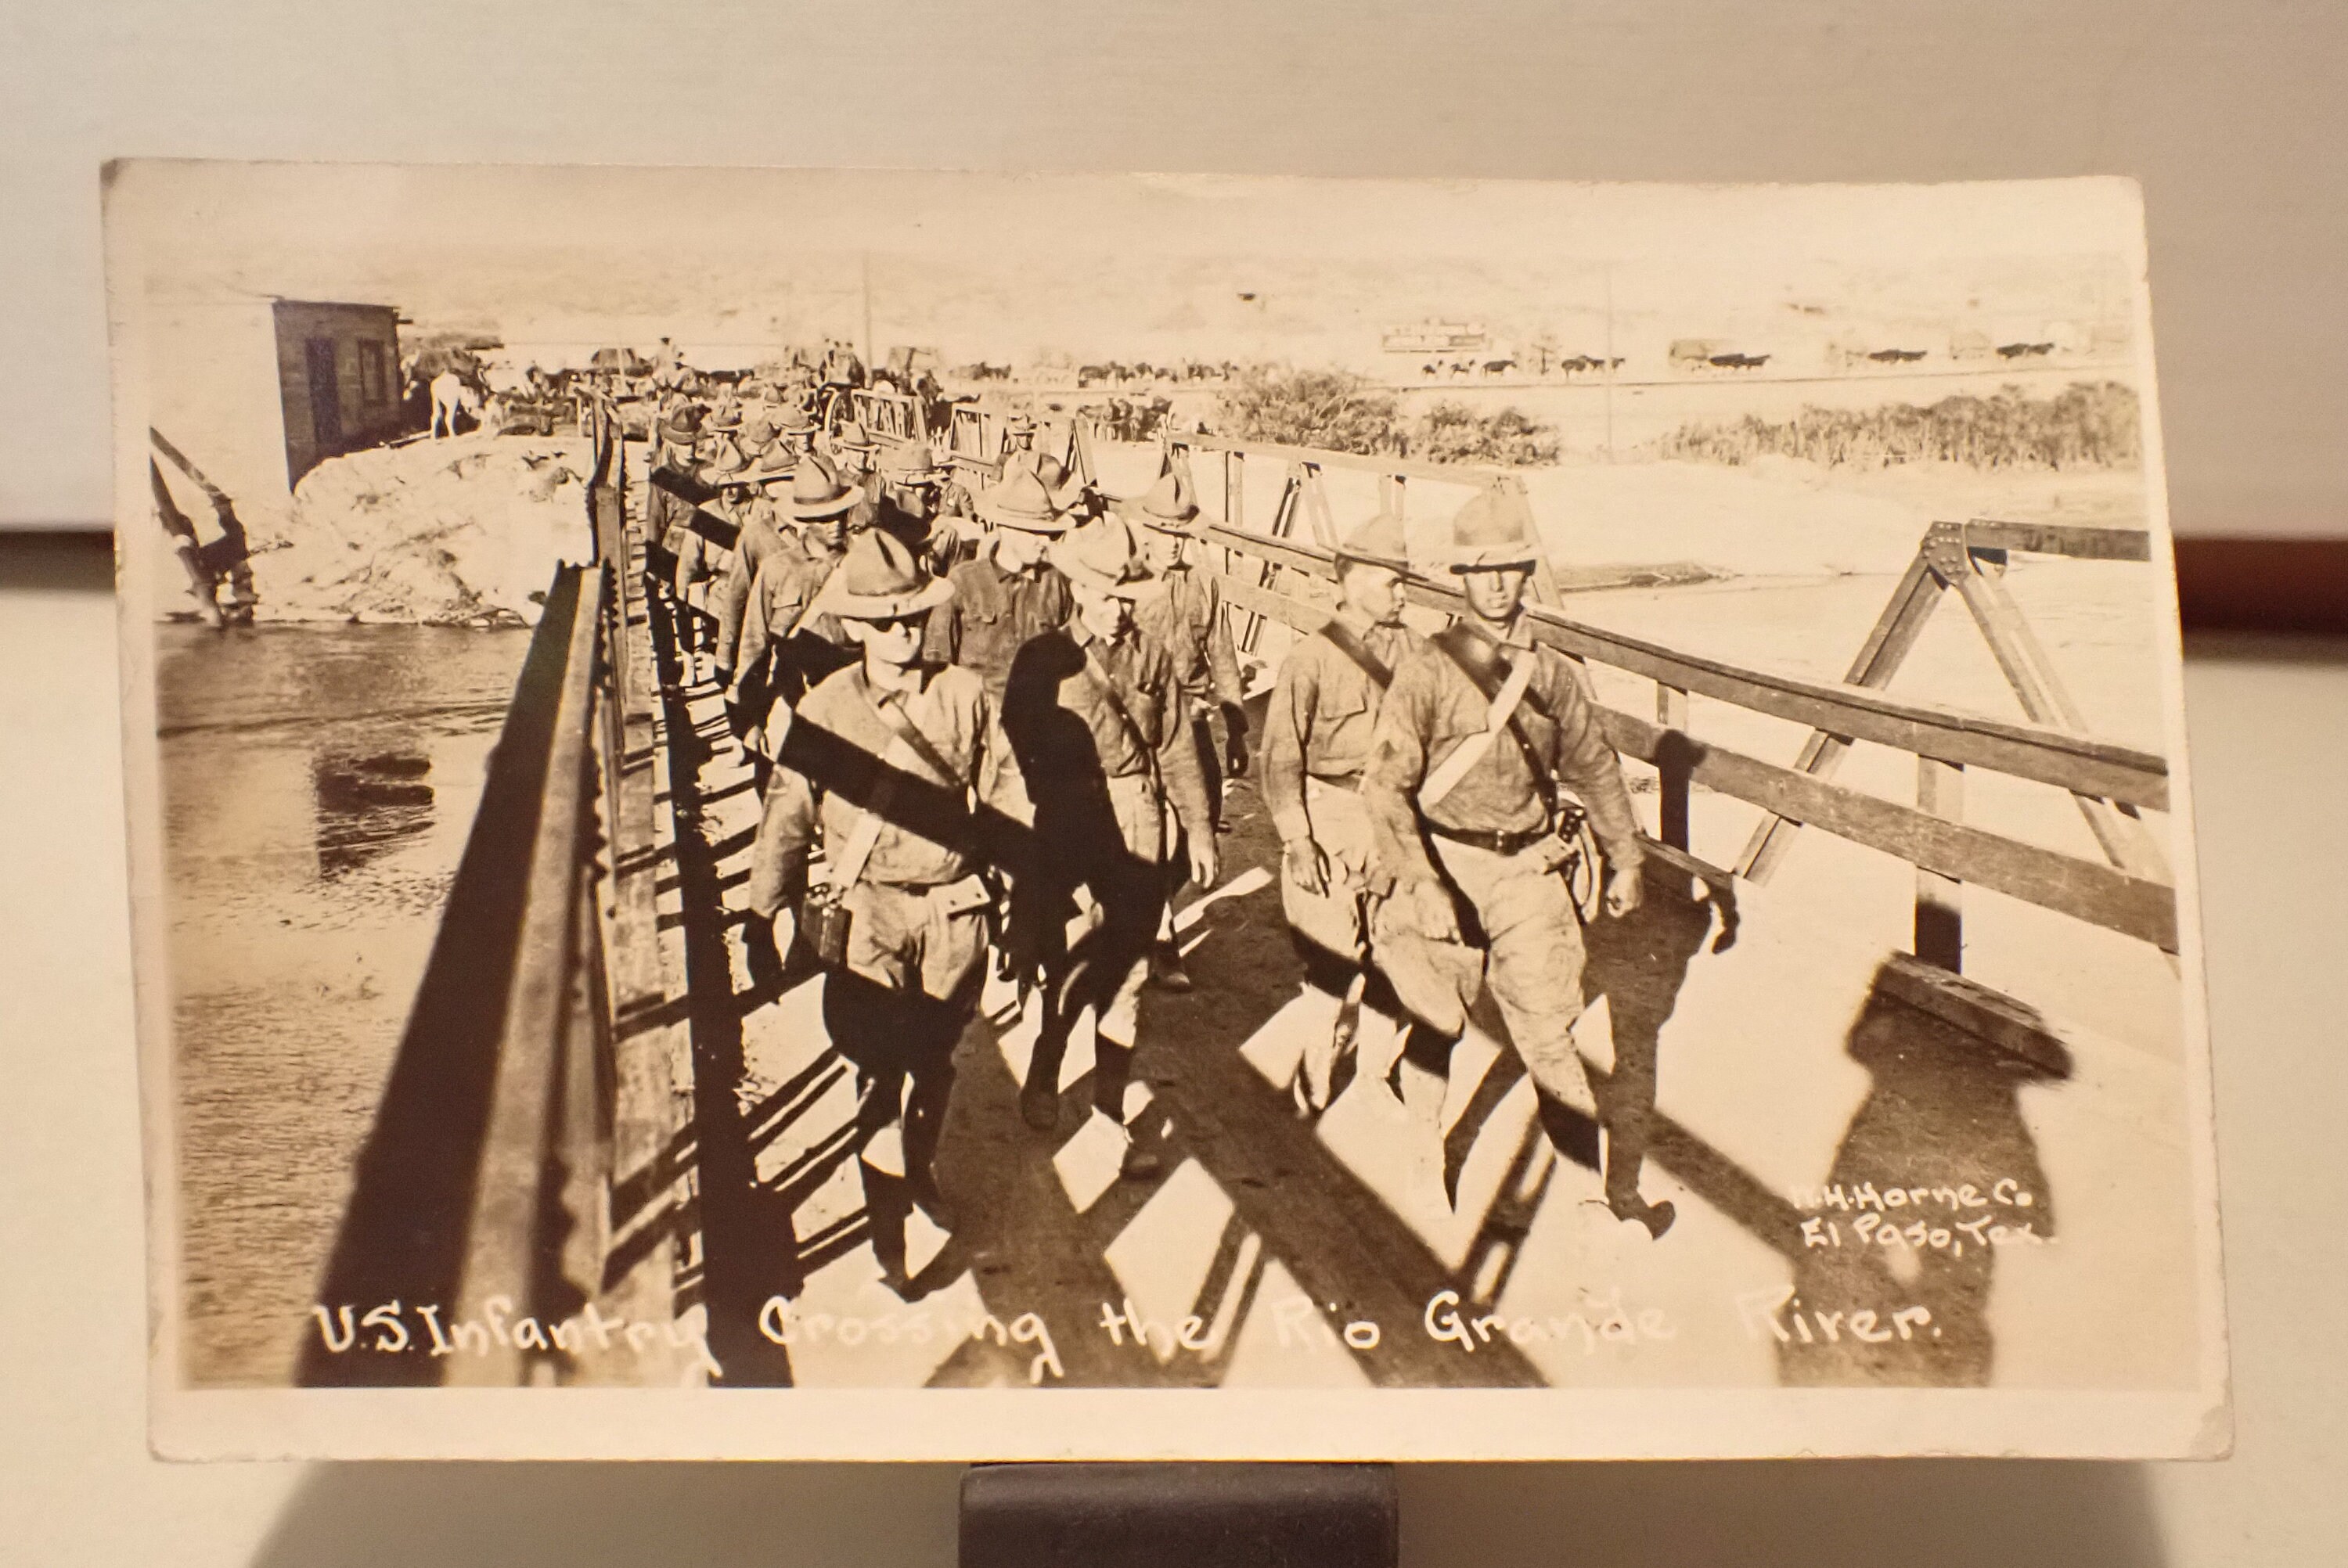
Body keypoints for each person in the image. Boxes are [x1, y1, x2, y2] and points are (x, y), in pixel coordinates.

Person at [1360, 489, 1672, 1234]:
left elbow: (1594, 765)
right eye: (1481, 570)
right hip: (1444, 860)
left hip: (1528, 868)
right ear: (1461, 578)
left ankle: (1590, 1199)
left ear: (1527, 573)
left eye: (1509, 568)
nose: (1497, 585)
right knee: (1437, 1020)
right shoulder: (1428, 671)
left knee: (1549, 1035)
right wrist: (1421, 881)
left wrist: (1626, 857)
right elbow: (1386, 786)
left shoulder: (1554, 673)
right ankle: (1425, 1153)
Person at [745, 528, 1016, 1258]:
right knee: (876, 1066)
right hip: (867, 909)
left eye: (912, 618)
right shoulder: (827, 709)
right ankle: (886, 1225)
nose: (902, 633)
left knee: (935, 1061)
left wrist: (1026, 896)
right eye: (884, 622)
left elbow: (1006, 792)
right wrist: (761, 916)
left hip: (954, 908)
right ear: (856, 627)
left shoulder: (964, 695)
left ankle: (918, 1169)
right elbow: (787, 815)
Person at [1001, 513, 1216, 1180]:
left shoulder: (1152, 656)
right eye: (1105, 594)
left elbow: (1175, 746)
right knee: (1072, 957)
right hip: (1068, 816)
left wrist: (1199, 829)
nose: (1118, 609)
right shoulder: (1042, 658)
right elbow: (1011, 746)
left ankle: (1108, 1112)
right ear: (1078, 589)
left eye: (1127, 596)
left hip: (1137, 810)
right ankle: (1048, 1059)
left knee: (1128, 970)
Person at [1259, 508, 1425, 1114]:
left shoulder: (1419, 653)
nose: (1402, 594)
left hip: (1397, 816)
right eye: (1391, 582)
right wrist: (1298, 840)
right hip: (1330, 815)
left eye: (1404, 583)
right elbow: (1280, 757)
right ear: (1351, 577)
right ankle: (1317, 1066)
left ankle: (1376, 1071)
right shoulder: (1311, 660)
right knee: (1331, 955)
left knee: (1397, 949)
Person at [1122, 469, 1249, 991]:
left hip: (1191, 720)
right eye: (1162, 532)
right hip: (1139, 726)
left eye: (1180, 534)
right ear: (1144, 530)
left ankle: (1157, 906)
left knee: (1203, 818)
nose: (1172, 543)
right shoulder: (1126, 583)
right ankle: (1160, 936)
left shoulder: (1203, 584)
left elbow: (1223, 655)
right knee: (1146, 827)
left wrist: (1236, 728)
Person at [730, 463, 861, 779]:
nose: (836, 524)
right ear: (805, 521)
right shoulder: (777, 569)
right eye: (825, 518)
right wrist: (751, 720)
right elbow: (754, 645)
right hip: (794, 698)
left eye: (840, 514)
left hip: (853, 698)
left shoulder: (863, 562)